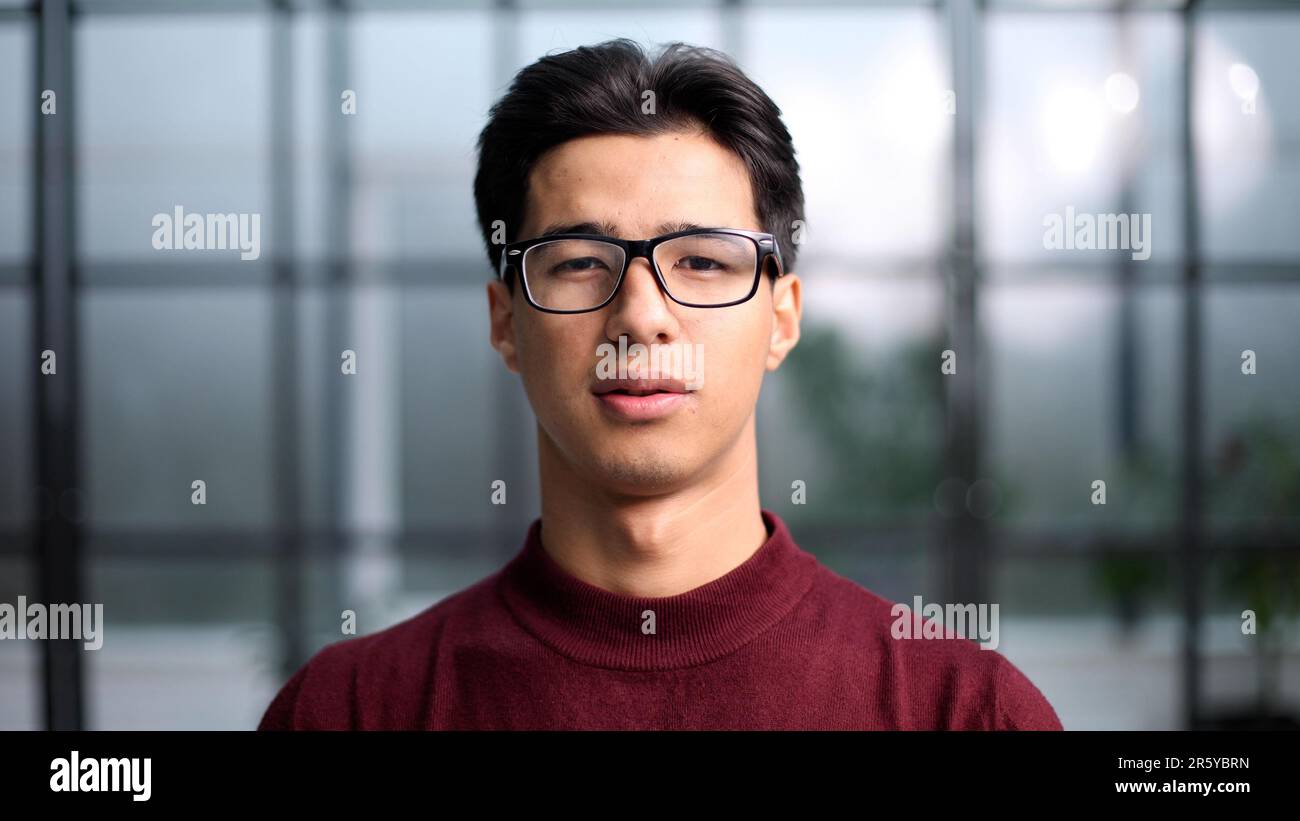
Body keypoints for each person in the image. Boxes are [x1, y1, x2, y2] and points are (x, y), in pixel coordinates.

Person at [258, 38, 1062, 730]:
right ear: (505, 321)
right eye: (578, 263)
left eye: (703, 261)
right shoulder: (348, 711)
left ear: (782, 317)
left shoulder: (964, 712)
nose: (642, 317)